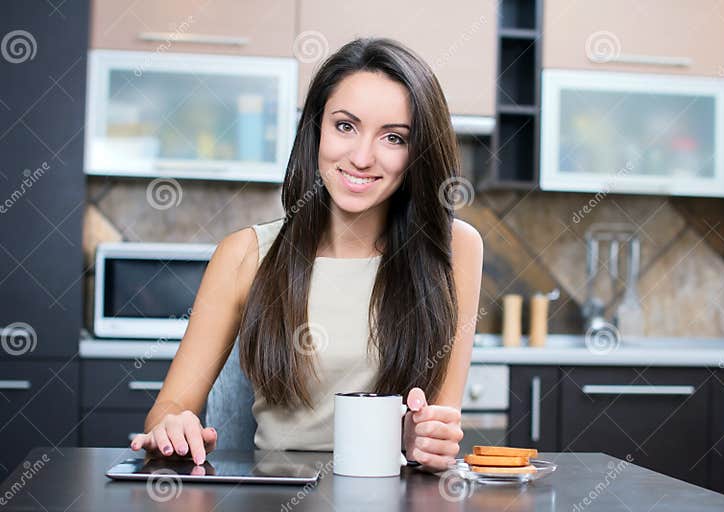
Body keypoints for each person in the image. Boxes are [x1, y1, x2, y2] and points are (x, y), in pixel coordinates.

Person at [130, 37, 483, 473]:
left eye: (394, 137)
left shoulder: (454, 249)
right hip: (274, 496)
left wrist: (425, 438)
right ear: (316, 129)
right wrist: (172, 424)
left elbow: (438, 425)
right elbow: (171, 405)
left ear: (417, 154)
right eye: (345, 126)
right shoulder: (245, 254)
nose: (361, 156)